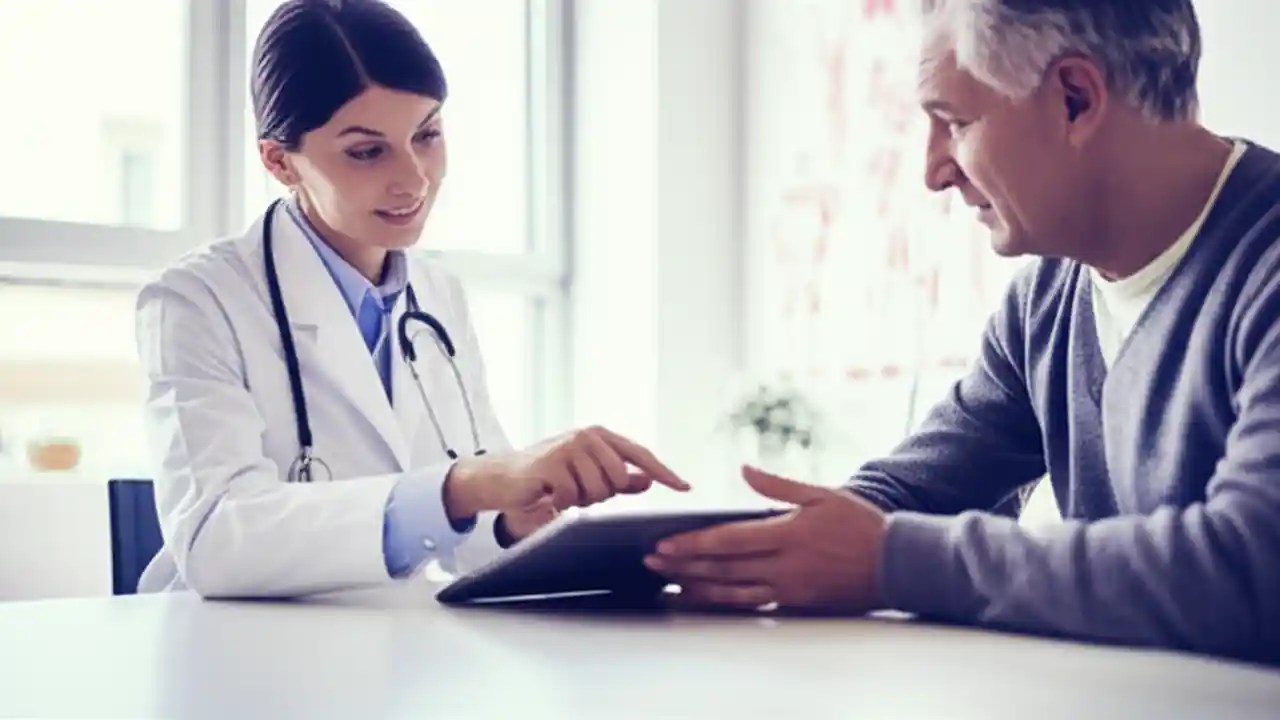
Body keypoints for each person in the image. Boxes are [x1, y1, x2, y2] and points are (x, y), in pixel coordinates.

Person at [647, 0, 1280, 663]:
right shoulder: (1045, 300)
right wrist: (718, 555)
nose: (933, 171)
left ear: (1074, 99)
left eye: (955, 122)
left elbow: (1250, 571)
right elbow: (910, 496)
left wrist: (890, 562)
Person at [134, 0, 688, 598]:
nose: (415, 179)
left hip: (392, 649)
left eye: (426, 135)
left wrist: (512, 518)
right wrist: (462, 487)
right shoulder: (195, 301)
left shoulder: (438, 295)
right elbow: (217, 542)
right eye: (367, 151)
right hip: (226, 653)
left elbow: (465, 530)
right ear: (278, 161)